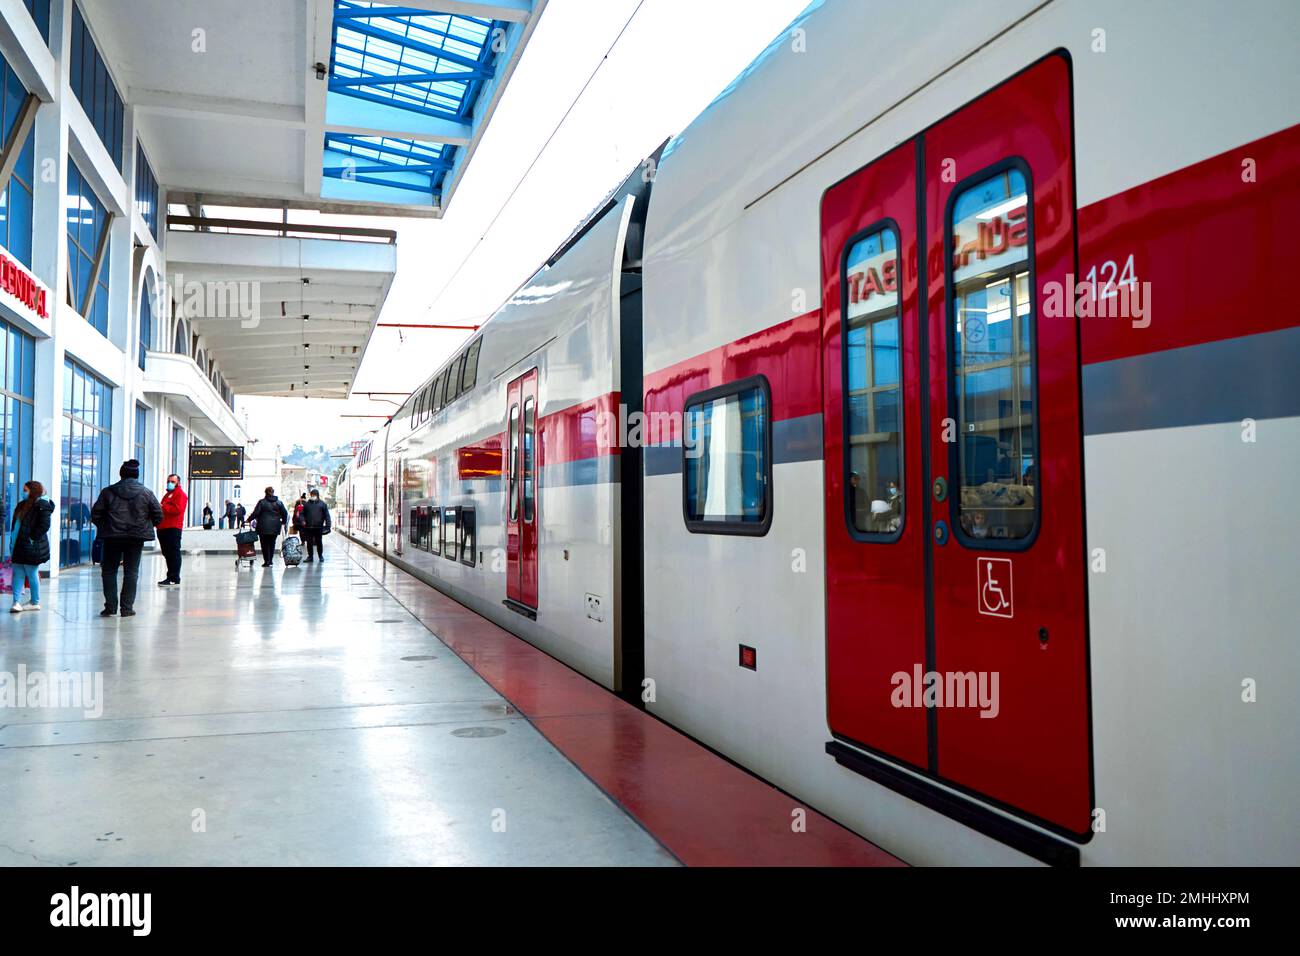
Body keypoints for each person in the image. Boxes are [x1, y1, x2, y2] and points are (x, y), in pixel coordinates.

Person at [91, 460, 163, 617]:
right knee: (131, 572)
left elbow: (96, 514)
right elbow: (158, 514)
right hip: (135, 537)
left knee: (109, 571)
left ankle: (110, 607)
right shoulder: (146, 493)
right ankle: (127, 608)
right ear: (137, 475)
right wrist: (147, 524)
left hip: (112, 537)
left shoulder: (108, 492)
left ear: (121, 474)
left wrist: (106, 526)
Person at [9, 480, 54, 613]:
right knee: (18, 573)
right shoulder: (22, 505)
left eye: (25, 490)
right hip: (18, 545)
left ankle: (35, 601)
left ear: (32, 491)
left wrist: (32, 538)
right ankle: (16, 602)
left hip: (31, 545)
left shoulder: (41, 505)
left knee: (31, 572)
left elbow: (44, 525)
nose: (23, 492)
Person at [157, 473, 188, 588]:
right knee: (167, 553)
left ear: (178, 483)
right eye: (168, 481)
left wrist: (163, 507)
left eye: (172, 481)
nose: (169, 483)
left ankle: (174, 578)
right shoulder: (168, 495)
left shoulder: (180, 494)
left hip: (173, 528)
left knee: (173, 553)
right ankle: (170, 576)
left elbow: (178, 510)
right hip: (163, 527)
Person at [248, 487, 289, 567]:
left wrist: (248, 520)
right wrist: (283, 522)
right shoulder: (279, 502)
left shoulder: (262, 502)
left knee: (264, 544)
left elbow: (256, 513)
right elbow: (285, 513)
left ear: (265, 492)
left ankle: (266, 561)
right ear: (273, 492)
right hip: (275, 526)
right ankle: (270, 561)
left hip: (263, 526)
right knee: (272, 543)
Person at [297, 488, 331, 563]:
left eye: (314, 495)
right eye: (312, 495)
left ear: (317, 495)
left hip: (318, 527)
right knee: (309, 543)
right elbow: (301, 514)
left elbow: (327, 516)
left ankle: (320, 556)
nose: (313, 496)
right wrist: (302, 520)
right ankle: (310, 556)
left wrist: (328, 526)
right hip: (308, 527)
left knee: (319, 542)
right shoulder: (306, 504)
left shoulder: (322, 504)